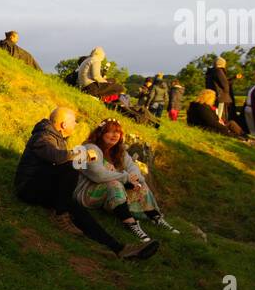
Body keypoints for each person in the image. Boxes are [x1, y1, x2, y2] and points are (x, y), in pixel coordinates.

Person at [13, 106, 159, 260]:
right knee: (72, 166)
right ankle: (61, 215)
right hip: (28, 187)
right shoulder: (43, 136)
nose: (76, 124)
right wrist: (81, 154)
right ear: (63, 124)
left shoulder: (57, 138)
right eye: (74, 121)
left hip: (45, 189)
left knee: (79, 211)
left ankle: (120, 249)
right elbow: (56, 157)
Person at [75, 118, 179, 241]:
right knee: (115, 184)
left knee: (140, 184)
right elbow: (98, 175)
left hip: (107, 194)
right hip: (86, 194)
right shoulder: (88, 148)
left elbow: (133, 168)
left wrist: (134, 179)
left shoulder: (119, 151)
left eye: (118, 132)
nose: (115, 135)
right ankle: (130, 223)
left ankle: (156, 217)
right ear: (100, 133)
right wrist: (125, 178)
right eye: (110, 131)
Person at [205, 58, 233, 122]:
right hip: (221, 97)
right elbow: (224, 84)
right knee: (220, 115)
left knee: (215, 112)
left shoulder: (210, 72)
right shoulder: (218, 71)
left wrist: (233, 78)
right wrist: (227, 92)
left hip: (213, 96)